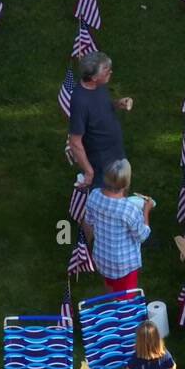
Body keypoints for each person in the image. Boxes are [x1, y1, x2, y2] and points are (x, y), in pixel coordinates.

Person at [82, 159, 152, 292]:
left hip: (102, 257)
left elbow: (89, 222)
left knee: (110, 290)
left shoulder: (94, 195)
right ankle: (123, 312)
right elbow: (142, 235)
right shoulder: (129, 210)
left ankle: (111, 306)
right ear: (126, 183)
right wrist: (146, 211)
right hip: (124, 265)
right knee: (126, 301)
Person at [68, 51, 133, 190]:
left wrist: (117, 103)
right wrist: (89, 171)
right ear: (93, 77)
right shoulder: (80, 101)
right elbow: (75, 141)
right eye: (106, 71)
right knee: (108, 196)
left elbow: (102, 105)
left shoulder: (99, 86)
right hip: (101, 160)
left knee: (121, 189)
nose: (110, 72)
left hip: (116, 151)